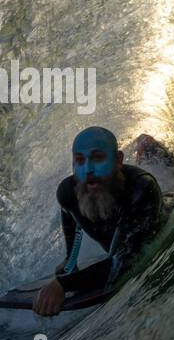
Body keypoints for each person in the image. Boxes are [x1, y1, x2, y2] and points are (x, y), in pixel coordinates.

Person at [32, 126, 164, 316]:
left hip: (163, 207)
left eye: (98, 158)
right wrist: (71, 258)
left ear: (118, 160)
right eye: (79, 160)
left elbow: (125, 261)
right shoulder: (68, 191)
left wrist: (63, 284)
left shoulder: (142, 188)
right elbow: (68, 213)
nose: (88, 169)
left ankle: (148, 147)